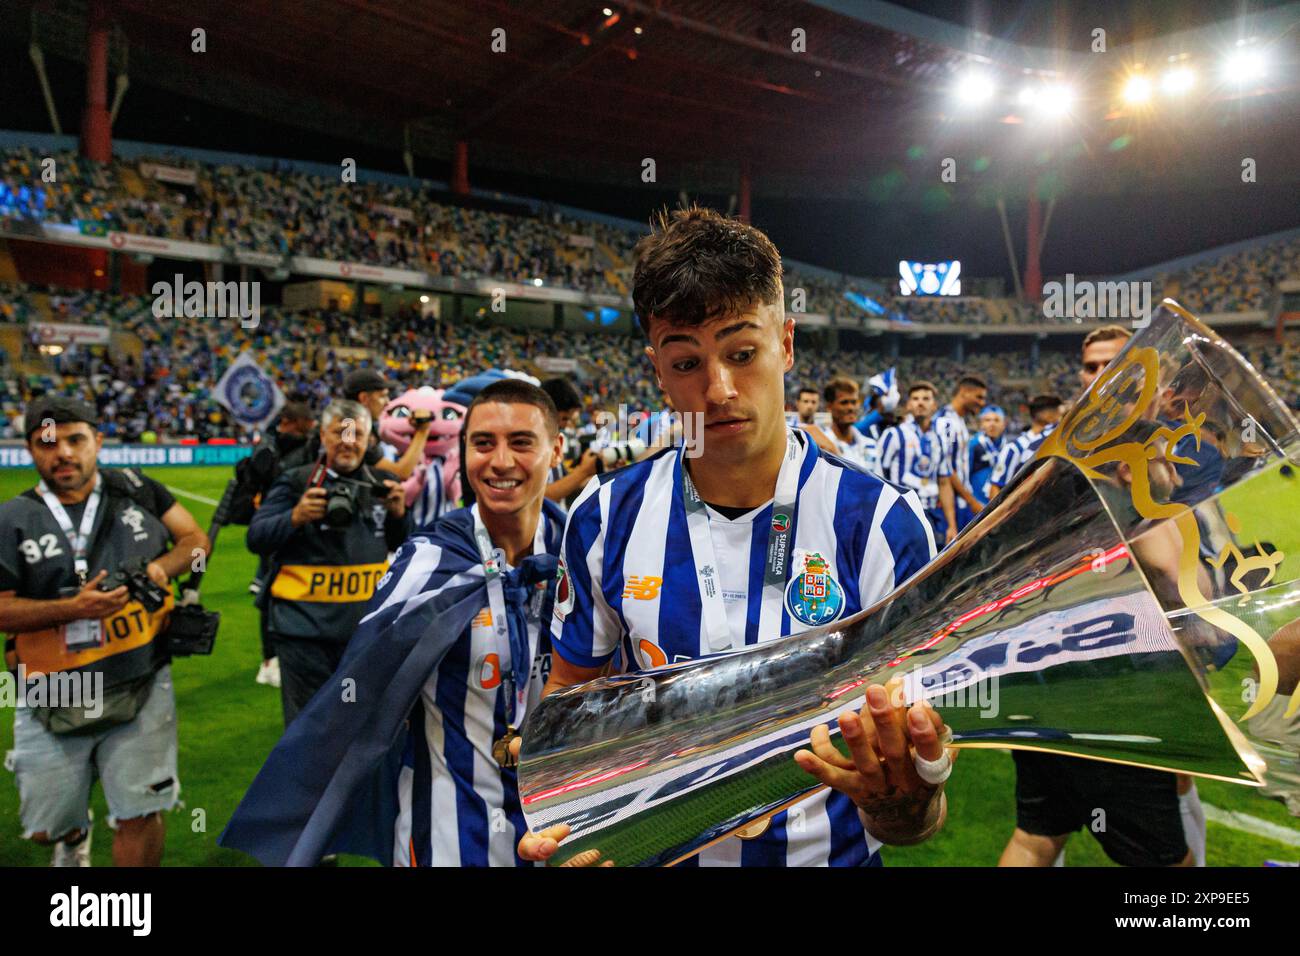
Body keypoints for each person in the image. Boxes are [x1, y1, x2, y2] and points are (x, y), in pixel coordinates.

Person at [519, 207, 949, 867]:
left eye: (742, 352)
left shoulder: (883, 523)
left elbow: (919, 809)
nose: (718, 389)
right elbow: (571, 699)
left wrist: (905, 800)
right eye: (687, 361)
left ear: (787, 343)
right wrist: (570, 822)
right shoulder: (604, 517)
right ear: (657, 370)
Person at [220, 381, 567, 867]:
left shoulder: (590, 555)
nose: (501, 461)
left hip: (567, 825)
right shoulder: (426, 564)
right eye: (483, 443)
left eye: (522, 442)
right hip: (445, 833)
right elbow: (359, 703)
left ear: (556, 449)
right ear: (463, 452)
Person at [0, 396, 210, 866]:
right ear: (32, 451)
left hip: (141, 680)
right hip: (52, 689)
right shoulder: (11, 518)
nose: (64, 453)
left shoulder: (137, 489)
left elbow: (196, 543)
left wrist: (160, 570)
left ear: (98, 440)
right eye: (47, 443)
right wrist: (72, 609)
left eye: (76, 439)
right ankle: (73, 835)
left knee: (141, 811)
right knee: (43, 827)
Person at [247, 399, 410, 727]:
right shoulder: (296, 481)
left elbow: (401, 545)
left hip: (363, 633)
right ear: (323, 435)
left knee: (361, 727)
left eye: (358, 433)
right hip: (305, 634)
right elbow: (257, 537)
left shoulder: (380, 484)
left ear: (368, 441)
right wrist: (294, 517)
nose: (349, 440)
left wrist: (399, 515)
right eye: (340, 432)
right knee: (309, 730)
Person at [878, 382, 947, 543]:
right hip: (902, 511)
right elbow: (879, 475)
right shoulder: (893, 434)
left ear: (934, 405)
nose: (920, 402)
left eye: (926, 398)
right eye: (915, 399)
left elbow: (943, 481)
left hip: (932, 511)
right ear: (909, 405)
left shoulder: (939, 438)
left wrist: (951, 524)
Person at [341, 368, 431, 481]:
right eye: (382, 396)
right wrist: (422, 432)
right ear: (364, 398)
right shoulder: (350, 430)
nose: (388, 402)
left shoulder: (353, 421)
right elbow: (400, 473)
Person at [935, 375, 988, 542]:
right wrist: (972, 501)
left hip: (961, 501)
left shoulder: (958, 420)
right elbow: (946, 469)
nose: (982, 403)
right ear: (964, 392)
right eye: (979, 397)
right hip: (950, 503)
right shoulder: (946, 422)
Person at [986, 394, 1063, 498]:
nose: (1060, 419)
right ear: (1047, 415)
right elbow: (995, 487)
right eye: (1058, 414)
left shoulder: (1052, 441)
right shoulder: (1015, 448)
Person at [540, 376, 600, 503]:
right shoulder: (533, 448)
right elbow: (542, 497)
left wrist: (602, 474)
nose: (565, 425)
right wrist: (583, 472)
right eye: (564, 418)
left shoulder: (550, 444)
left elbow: (564, 486)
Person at [823, 376, 874, 470]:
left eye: (854, 402)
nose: (851, 408)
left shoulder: (871, 445)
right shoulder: (821, 448)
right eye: (844, 403)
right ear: (829, 407)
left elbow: (881, 482)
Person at [968, 405, 1005, 506]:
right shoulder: (973, 445)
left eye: (996, 420)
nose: (992, 424)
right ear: (981, 424)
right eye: (987, 420)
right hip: (976, 504)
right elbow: (965, 476)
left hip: (999, 503)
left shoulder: (1008, 447)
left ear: (1004, 424)